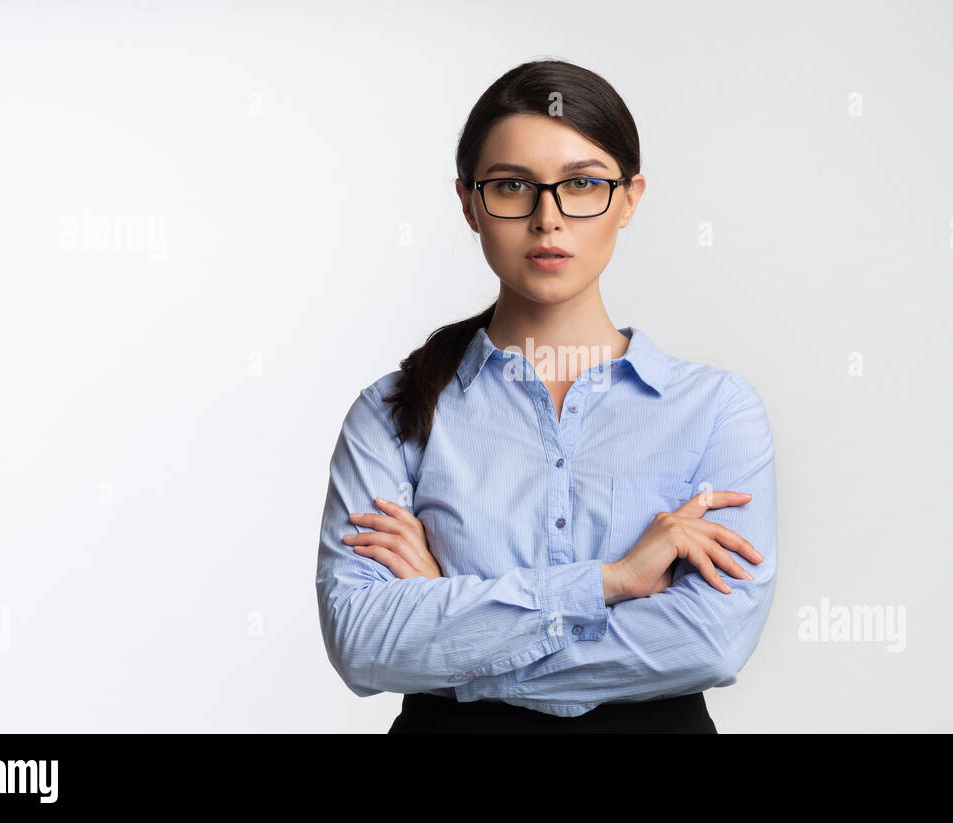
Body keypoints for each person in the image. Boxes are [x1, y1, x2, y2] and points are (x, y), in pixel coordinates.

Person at [315, 59, 778, 734]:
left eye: (582, 183)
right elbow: (361, 641)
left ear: (629, 197)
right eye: (511, 186)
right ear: (469, 202)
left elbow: (709, 641)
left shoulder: (716, 411)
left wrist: (450, 621)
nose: (547, 219)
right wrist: (610, 582)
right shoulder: (391, 413)